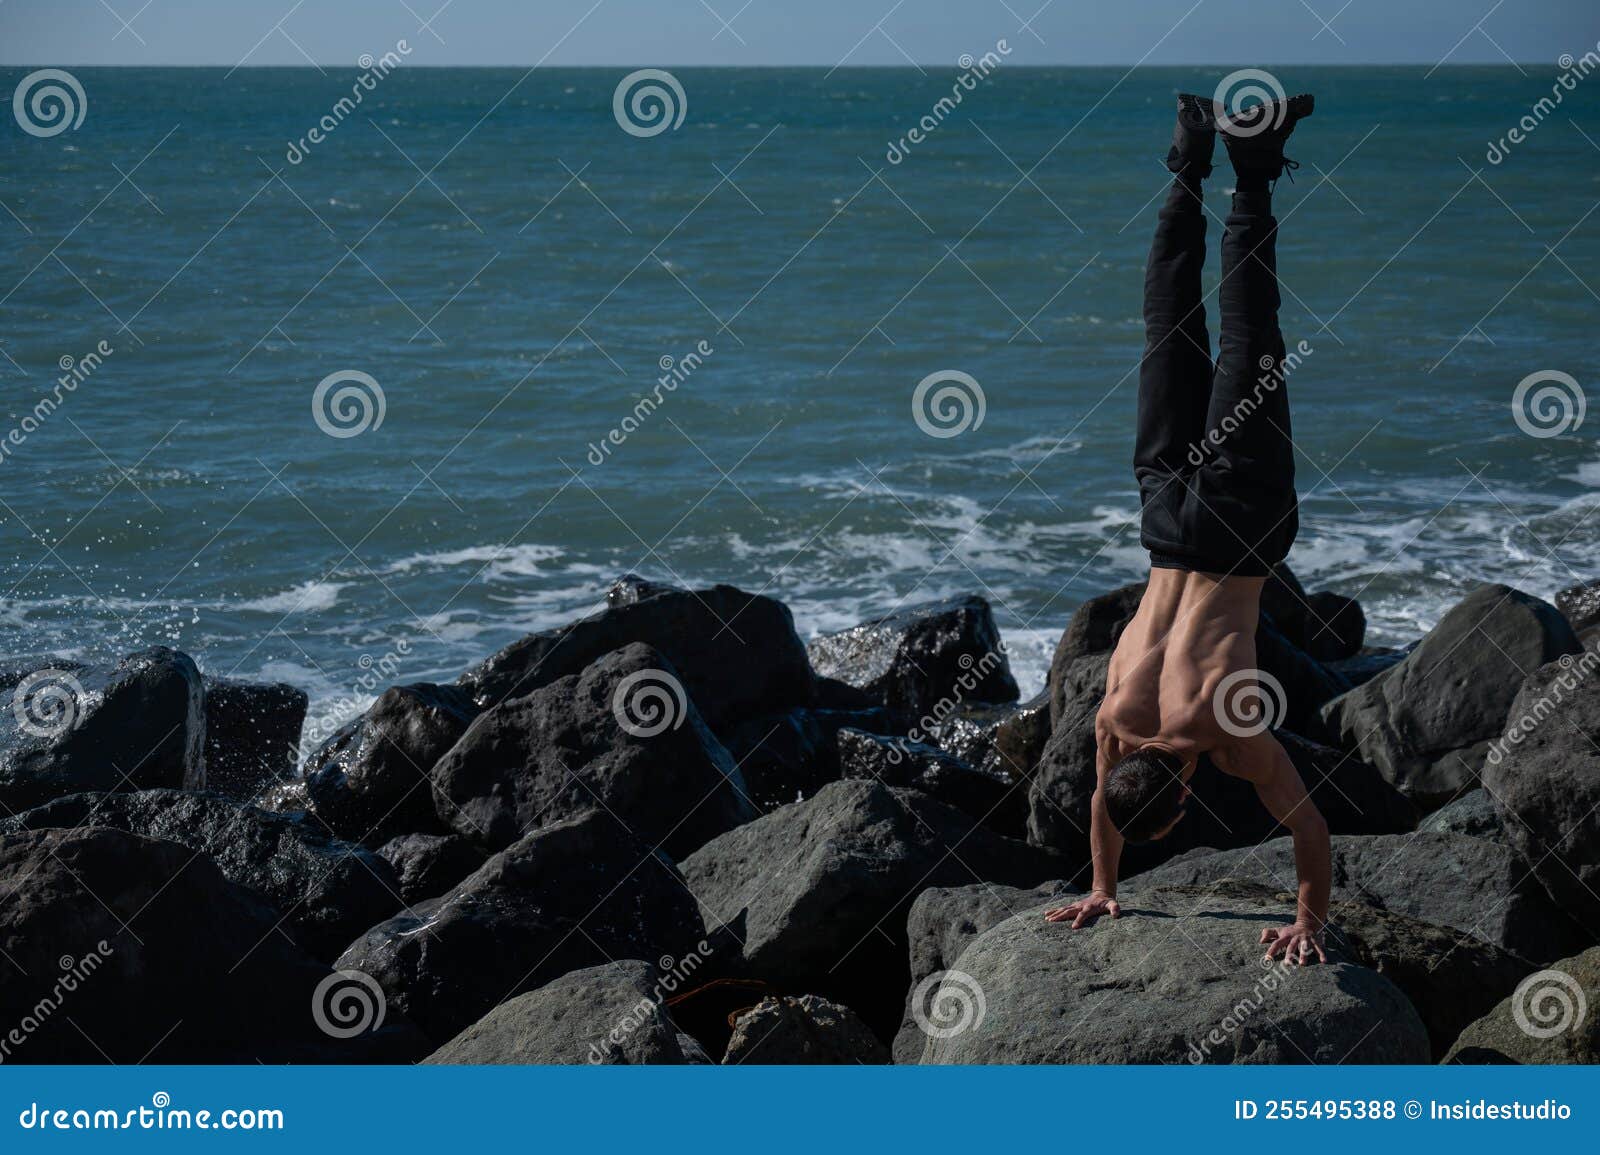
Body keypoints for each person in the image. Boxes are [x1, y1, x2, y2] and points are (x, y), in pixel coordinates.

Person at [1043, 92, 1332, 966]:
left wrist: (1308, 920)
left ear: (1178, 800)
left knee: (1249, 336)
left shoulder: (1228, 736)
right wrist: (1102, 882)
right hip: (1163, 518)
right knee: (1169, 328)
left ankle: (1254, 165)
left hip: (1242, 523)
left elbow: (1311, 830)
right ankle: (1190, 152)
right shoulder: (1115, 723)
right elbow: (1103, 802)